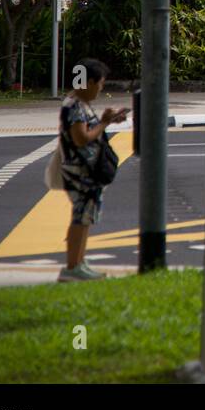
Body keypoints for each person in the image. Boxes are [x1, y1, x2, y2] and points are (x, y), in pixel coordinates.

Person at [58, 58, 127, 282]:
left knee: (84, 218)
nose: (101, 89)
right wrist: (105, 123)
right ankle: (72, 267)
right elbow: (81, 139)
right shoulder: (76, 106)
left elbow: (88, 130)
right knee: (81, 218)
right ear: (88, 82)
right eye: (100, 84)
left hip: (83, 170)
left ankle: (78, 262)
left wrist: (109, 120)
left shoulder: (77, 102)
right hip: (81, 172)